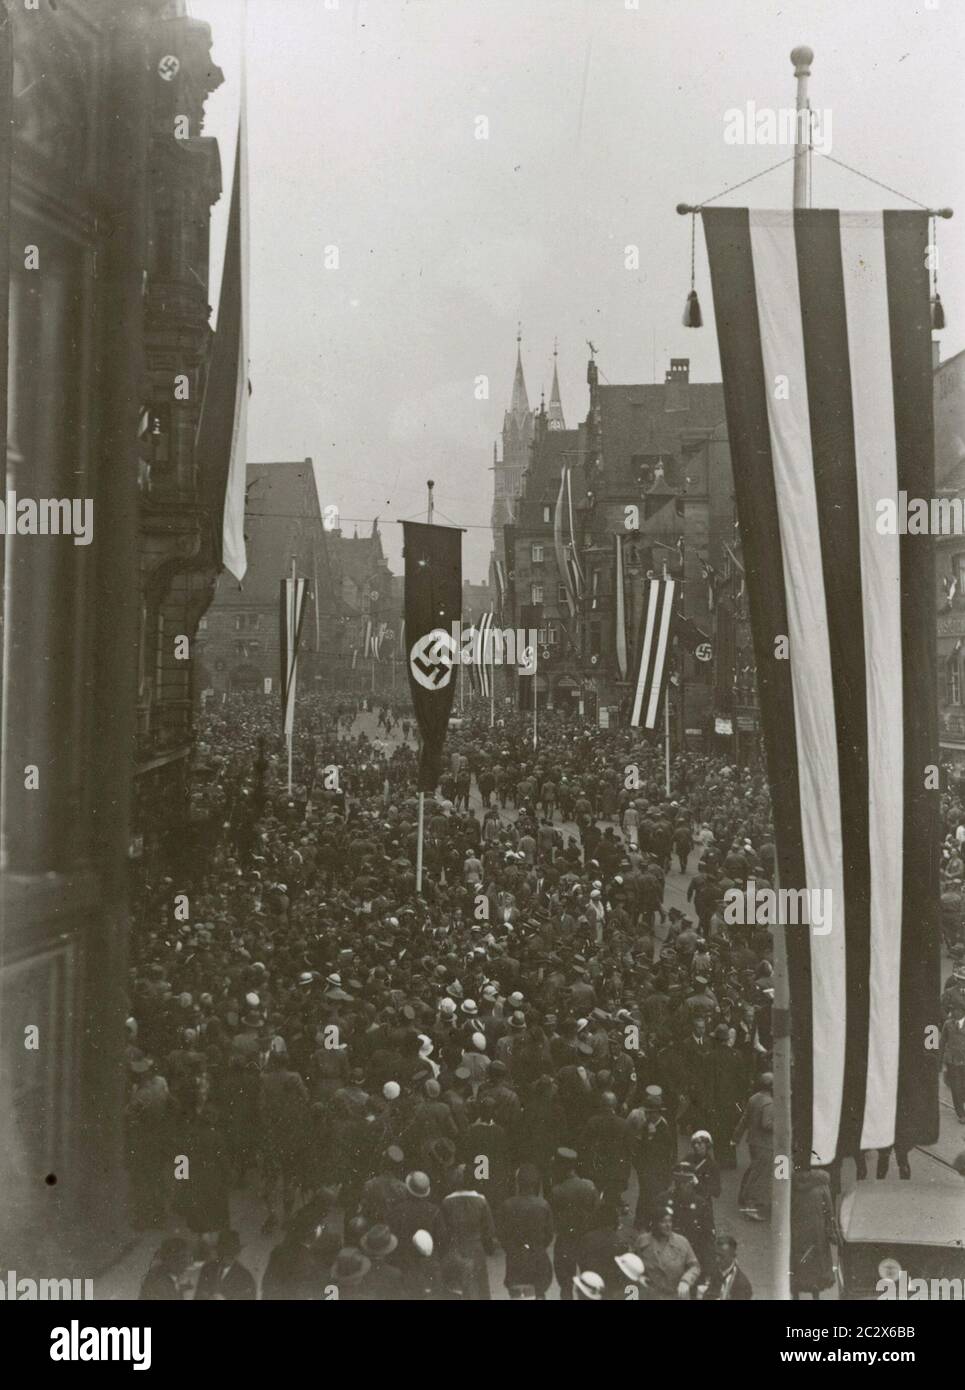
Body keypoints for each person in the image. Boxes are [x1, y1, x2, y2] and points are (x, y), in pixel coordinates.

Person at [497, 1164, 554, 1299]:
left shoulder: (507, 1205)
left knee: (516, 1295)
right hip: (537, 1256)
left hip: (515, 1257)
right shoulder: (543, 1205)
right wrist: (538, 1247)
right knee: (539, 1293)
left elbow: (502, 1235)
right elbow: (549, 1235)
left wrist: (512, 1249)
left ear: (518, 1183)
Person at [634, 1207, 699, 1301]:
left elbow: (695, 1266)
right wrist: (639, 1277)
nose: (668, 1225)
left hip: (676, 1296)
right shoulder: (642, 1241)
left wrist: (686, 1281)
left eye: (670, 1221)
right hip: (651, 1296)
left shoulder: (682, 1242)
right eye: (663, 1222)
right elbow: (632, 1264)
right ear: (654, 1224)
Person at [734, 1072, 773, 1221]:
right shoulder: (769, 1102)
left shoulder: (754, 1098)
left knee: (754, 1170)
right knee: (760, 1175)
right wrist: (783, 1124)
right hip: (765, 1144)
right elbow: (767, 1124)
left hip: (753, 1142)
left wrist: (736, 1137)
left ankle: (744, 1197)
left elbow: (744, 1119)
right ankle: (751, 1205)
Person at [194, 1229, 257, 1300]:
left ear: (236, 1254)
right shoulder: (207, 1269)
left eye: (228, 1254)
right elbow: (198, 1296)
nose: (223, 1257)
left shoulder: (245, 1277)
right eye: (221, 1253)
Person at [705, 1233, 753, 1300]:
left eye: (722, 1256)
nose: (717, 1259)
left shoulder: (742, 1284)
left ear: (733, 1256)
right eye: (716, 1255)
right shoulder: (715, 1271)